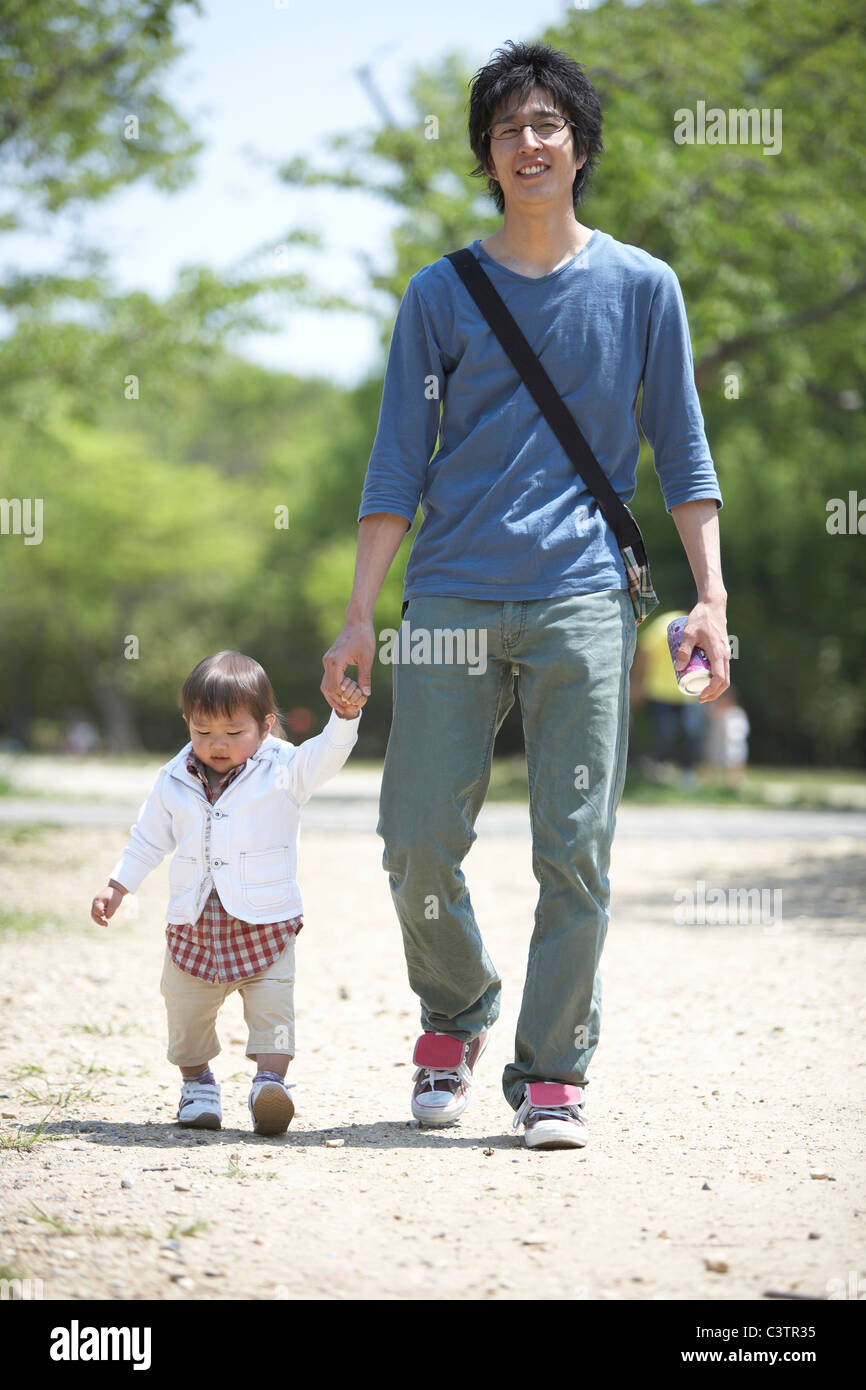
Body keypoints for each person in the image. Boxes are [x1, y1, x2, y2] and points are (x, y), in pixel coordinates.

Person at [322, 41, 730, 1150]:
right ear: (487, 160)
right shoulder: (439, 294)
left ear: (579, 146)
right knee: (412, 835)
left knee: (574, 847)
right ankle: (453, 1011)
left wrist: (709, 602)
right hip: (449, 594)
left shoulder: (642, 287)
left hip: (585, 598)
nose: (529, 142)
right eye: (507, 130)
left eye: (547, 123)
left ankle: (551, 1070)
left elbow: (683, 456)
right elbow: (394, 464)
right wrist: (359, 614)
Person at [90, 650, 365, 1135]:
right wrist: (118, 886)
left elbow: (327, 755)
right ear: (187, 724)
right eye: (202, 731)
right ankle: (197, 1083)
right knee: (186, 1011)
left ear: (265, 724)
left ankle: (269, 1085)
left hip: (266, 922)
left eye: (234, 733)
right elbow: (149, 838)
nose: (217, 744)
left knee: (274, 1008)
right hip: (194, 927)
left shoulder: (285, 768)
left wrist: (344, 717)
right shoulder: (173, 778)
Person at [630, 607, 708, 786]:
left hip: (689, 692)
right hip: (662, 691)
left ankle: (686, 773)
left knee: (688, 732)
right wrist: (637, 684)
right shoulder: (665, 625)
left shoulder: (671, 624)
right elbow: (646, 654)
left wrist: (636, 683)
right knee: (669, 733)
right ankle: (660, 770)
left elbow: (643, 655)